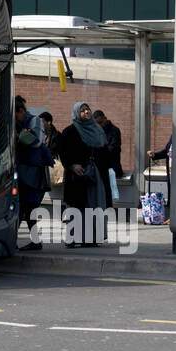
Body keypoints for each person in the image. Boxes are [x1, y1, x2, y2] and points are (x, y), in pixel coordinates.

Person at [59, 102, 110, 247]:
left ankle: (91, 238)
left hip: (96, 175)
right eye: (82, 110)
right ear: (76, 113)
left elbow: (105, 152)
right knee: (76, 206)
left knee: (94, 205)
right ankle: (73, 237)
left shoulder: (97, 130)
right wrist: (73, 165)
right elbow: (63, 152)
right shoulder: (70, 131)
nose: (86, 112)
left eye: (87, 109)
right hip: (77, 176)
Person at [15, 96, 50, 251]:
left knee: (29, 207)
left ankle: (35, 241)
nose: (15, 118)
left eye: (16, 114)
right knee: (21, 208)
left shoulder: (34, 121)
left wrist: (20, 135)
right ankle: (16, 240)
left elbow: (36, 142)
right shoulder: (17, 122)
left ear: (22, 111)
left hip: (33, 172)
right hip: (21, 171)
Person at [92, 110, 124, 179]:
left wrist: (98, 151)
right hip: (99, 170)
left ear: (105, 118)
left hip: (112, 169)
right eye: (97, 124)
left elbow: (113, 149)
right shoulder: (95, 131)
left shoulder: (115, 131)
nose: (99, 126)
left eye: (100, 122)